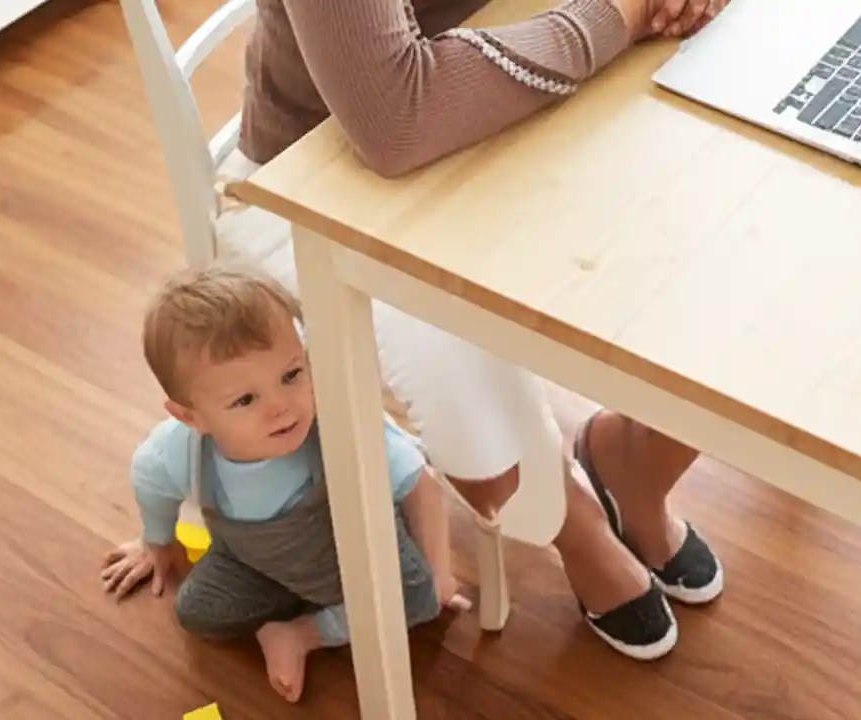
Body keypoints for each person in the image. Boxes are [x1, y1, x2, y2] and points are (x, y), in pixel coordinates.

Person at [213, 0, 730, 659]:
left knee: (733, 222)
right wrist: (621, 15)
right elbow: (396, 121)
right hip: (313, 177)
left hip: (505, 100)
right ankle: (577, 530)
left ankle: (635, 467)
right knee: (448, 355)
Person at [100, 264, 467, 703]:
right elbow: (149, 480)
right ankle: (321, 608)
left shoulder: (337, 423)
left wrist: (440, 572)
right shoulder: (177, 452)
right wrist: (157, 542)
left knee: (420, 598)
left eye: (292, 375)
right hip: (258, 562)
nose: (282, 407)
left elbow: (421, 485)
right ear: (190, 416)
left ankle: (304, 633)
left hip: (360, 552)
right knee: (197, 613)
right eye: (245, 399)